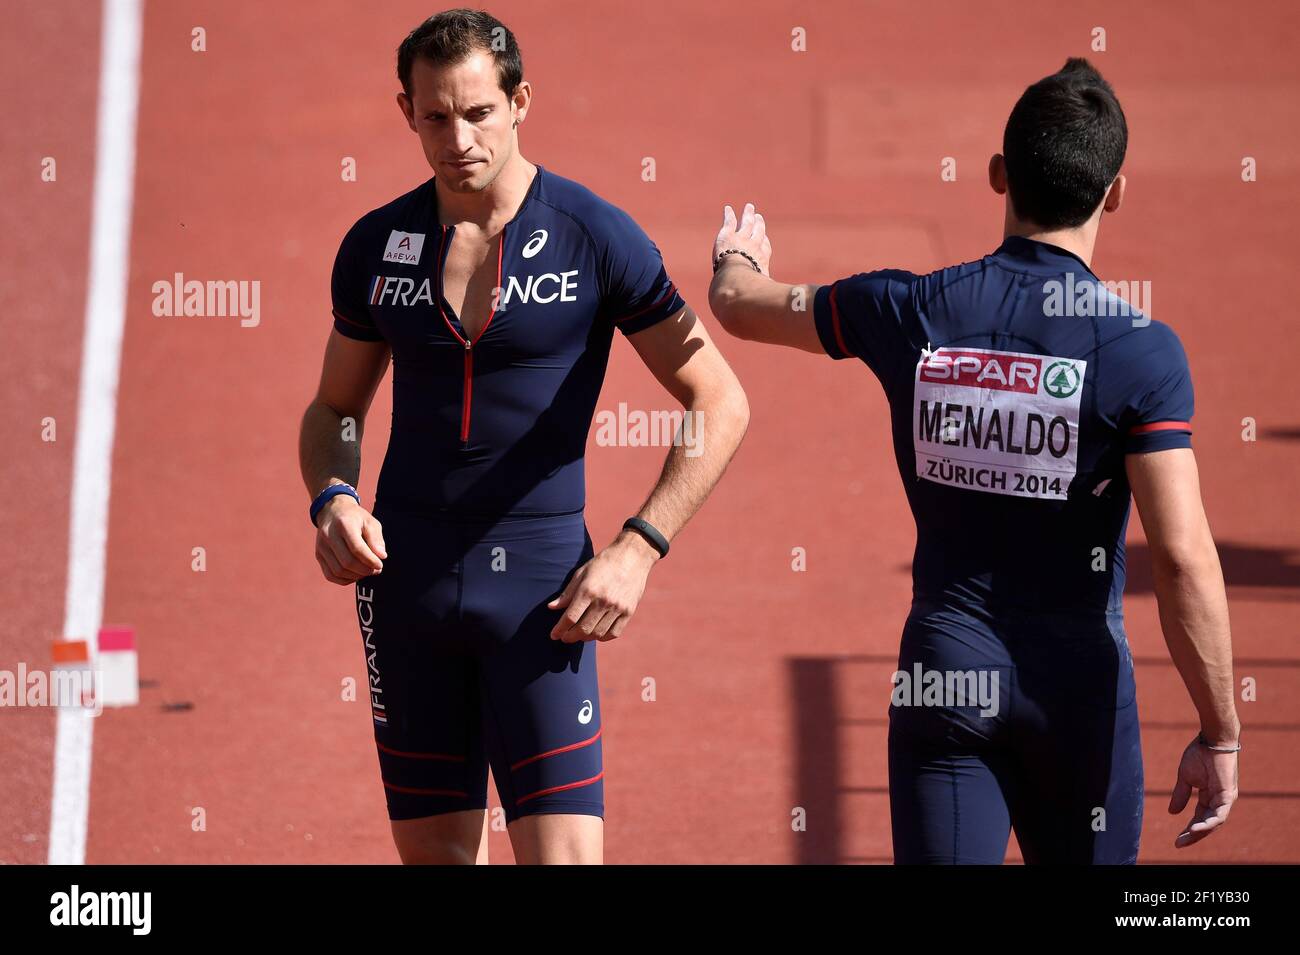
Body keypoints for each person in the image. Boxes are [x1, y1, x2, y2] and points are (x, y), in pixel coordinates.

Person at [707, 58, 1239, 863]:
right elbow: (1182, 558)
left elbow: (742, 309)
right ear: (1114, 190)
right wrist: (1220, 732)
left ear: (999, 176)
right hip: (1076, 692)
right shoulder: (1142, 353)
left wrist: (734, 262)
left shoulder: (907, 308)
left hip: (944, 673)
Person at [298, 9, 748, 865]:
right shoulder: (375, 248)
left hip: (544, 598)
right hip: (407, 592)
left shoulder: (596, 237)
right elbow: (333, 412)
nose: (457, 136)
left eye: (477, 112)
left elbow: (719, 399)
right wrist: (334, 494)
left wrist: (639, 548)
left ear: (520, 102)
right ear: (407, 113)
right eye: (435, 116)